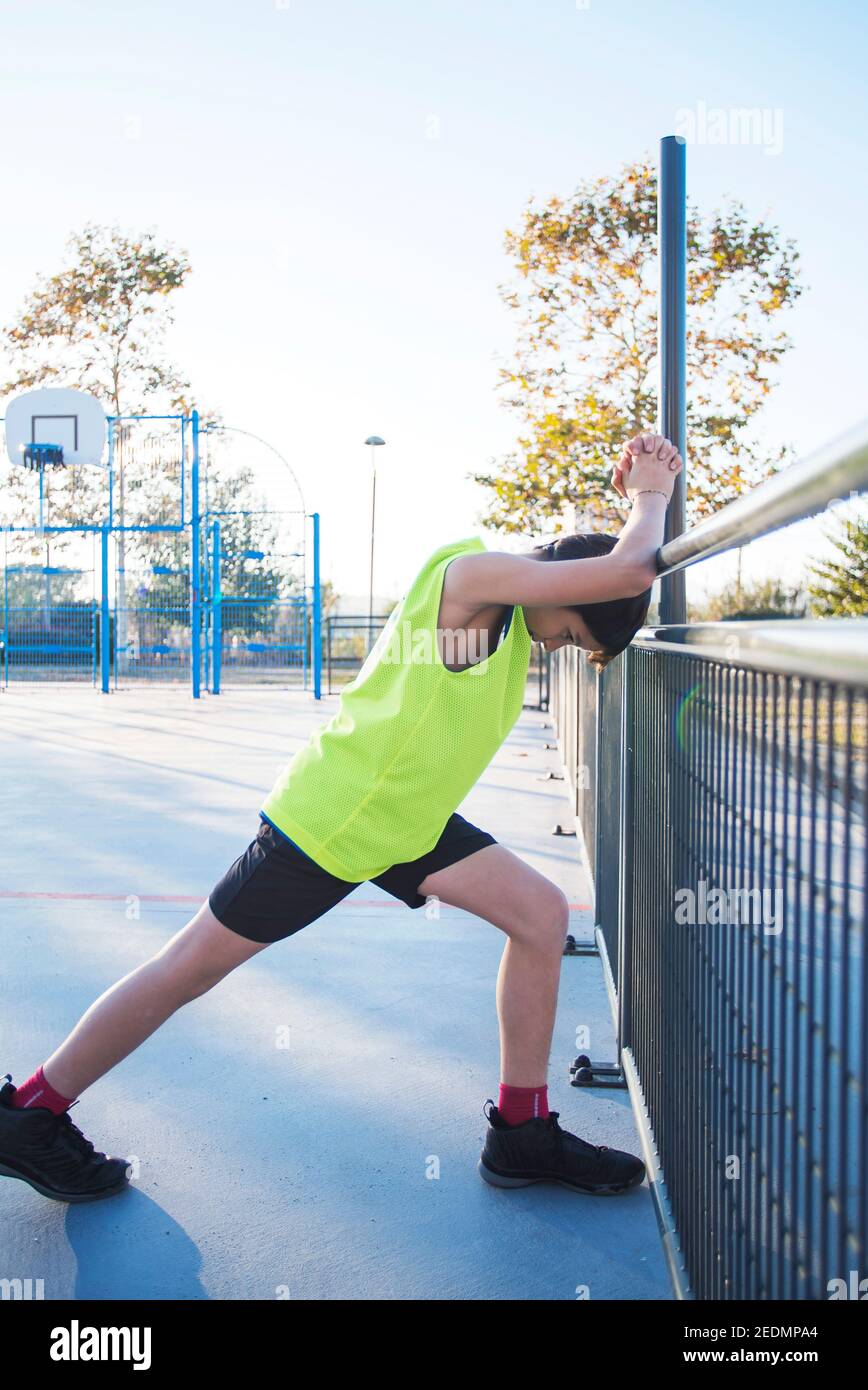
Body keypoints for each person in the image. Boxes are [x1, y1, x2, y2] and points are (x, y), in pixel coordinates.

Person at [0, 431, 682, 1203]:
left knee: (539, 913)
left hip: (404, 823)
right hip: (336, 819)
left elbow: (617, 570)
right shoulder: (474, 577)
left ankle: (521, 1135)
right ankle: (30, 1111)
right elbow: (625, 566)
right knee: (186, 970)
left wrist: (634, 519)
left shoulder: (518, 613)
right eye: (572, 633)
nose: (558, 646)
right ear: (568, 586)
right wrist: (650, 493)